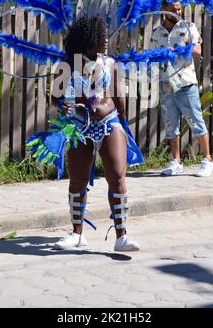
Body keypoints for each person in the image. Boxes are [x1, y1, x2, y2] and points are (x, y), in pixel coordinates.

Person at [50, 16, 141, 251]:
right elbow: (55, 98)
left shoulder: (110, 63)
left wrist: (122, 121)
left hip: (109, 123)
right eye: (101, 36)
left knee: (117, 174)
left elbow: (118, 98)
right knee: (77, 180)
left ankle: (122, 236)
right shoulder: (66, 66)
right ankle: (77, 233)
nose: (106, 40)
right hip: (79, 125)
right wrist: (64, 106)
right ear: (88, 39)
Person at [150, 1, 213, 177]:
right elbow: (152, 57)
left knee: (196, 120)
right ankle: (176, 162)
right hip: (165, 84)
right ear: (164, 9)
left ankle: (207, 160)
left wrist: (175, 51)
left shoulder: (189, 27)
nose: (177, 11)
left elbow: (197, 50)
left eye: (179, 8)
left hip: (186, 82)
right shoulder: (157, 33)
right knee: (170, 124)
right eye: (173, 8)